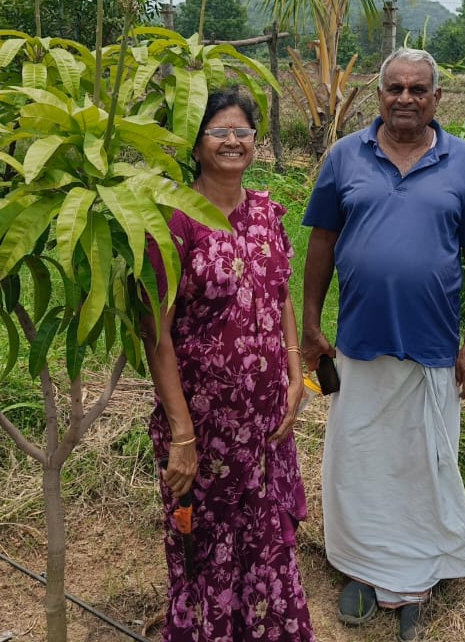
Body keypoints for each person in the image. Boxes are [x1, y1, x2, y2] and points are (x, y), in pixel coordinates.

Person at [301, 47, 465, 641]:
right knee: (360, 459)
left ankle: (415, 578)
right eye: (395, 88)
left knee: (423, 462)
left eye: (419, 89)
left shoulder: (464, 163)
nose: (406, 98)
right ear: (380, 95)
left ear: (437, 97)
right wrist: (310, 324)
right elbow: (322, 241)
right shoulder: (346, 156)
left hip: (434, 345)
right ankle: (362, 569)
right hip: (359, 343)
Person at [142, 87, 315, 642]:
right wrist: (182, 433)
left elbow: (281, 294)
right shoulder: (173, 221)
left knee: (264, 543)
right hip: (206, 428)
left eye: (242, 131)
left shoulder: (266, 212)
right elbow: (156, 334)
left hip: (266, 423)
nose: (232, 140)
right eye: (219, 131)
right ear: (195, 145)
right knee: (208, 546)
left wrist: (295, 374)